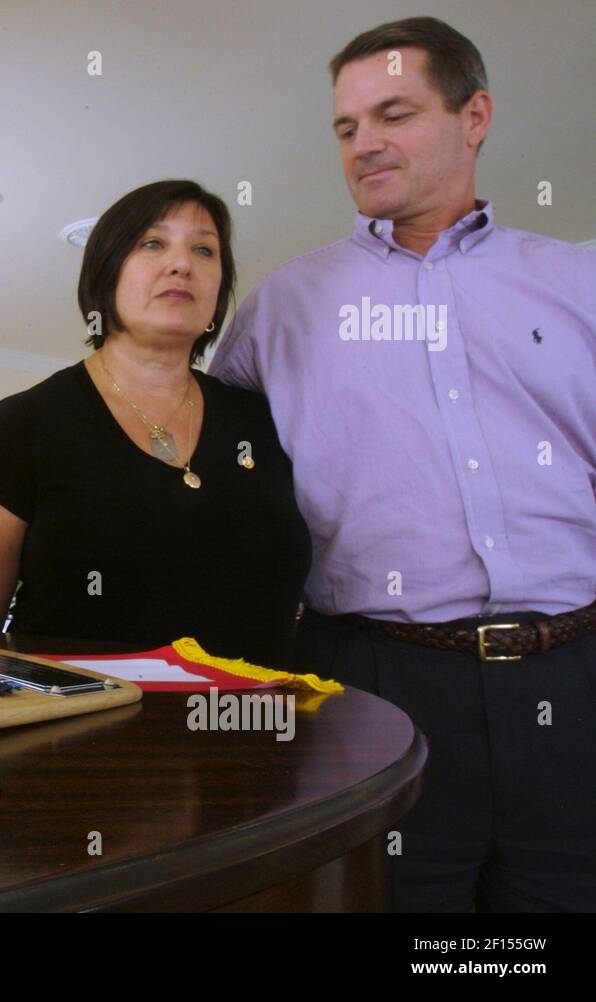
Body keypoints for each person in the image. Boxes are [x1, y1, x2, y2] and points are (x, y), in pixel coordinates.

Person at [209, 17, 596, 911]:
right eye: (346, 128)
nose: (364, 144)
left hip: (573, 680)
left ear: (475, 116)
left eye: (393, 114)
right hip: (377, 685)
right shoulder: (281, 312)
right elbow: (219, 486)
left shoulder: (574, 284)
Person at [0, 180, 312, 668]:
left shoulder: (262, 419)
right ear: (106, 274)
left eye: (204, 250)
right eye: (152, 243)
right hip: (86, 736)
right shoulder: (26, 421)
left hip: (263, 731)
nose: (182, 263)